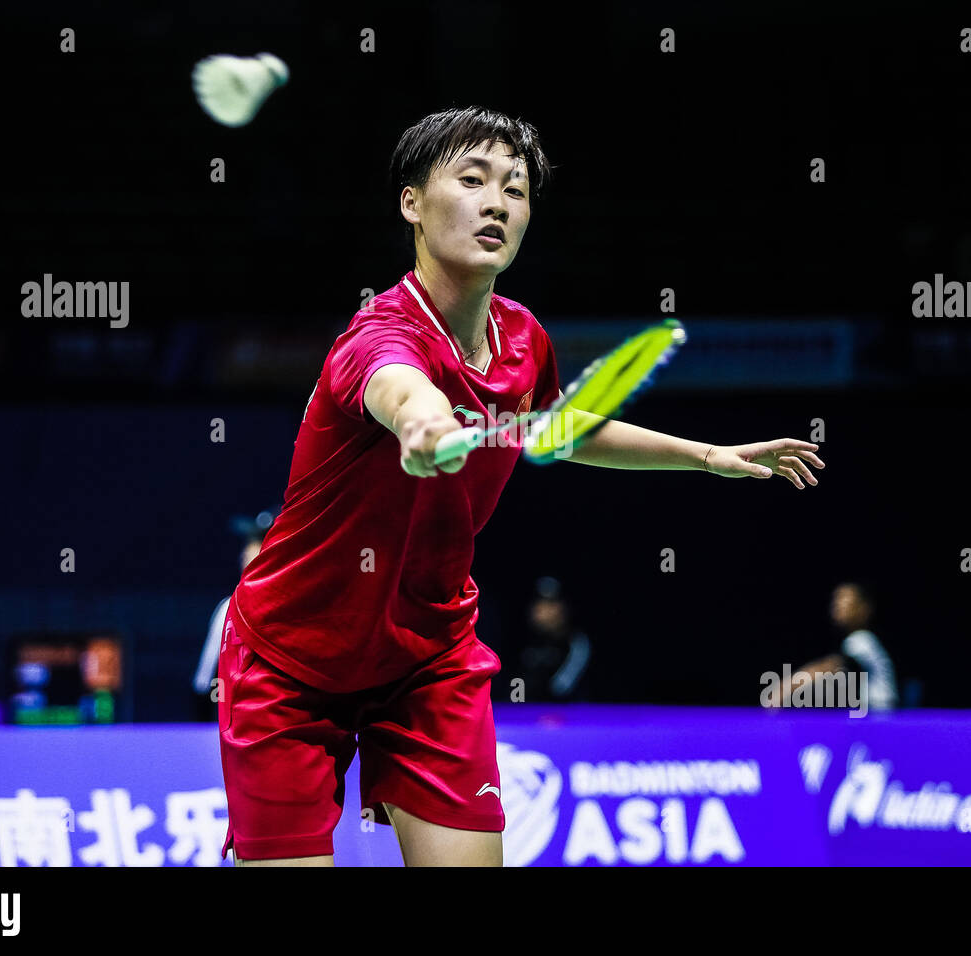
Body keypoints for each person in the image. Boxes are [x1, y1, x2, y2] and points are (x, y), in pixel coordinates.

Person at [218, 105, 826, 867]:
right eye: (471, 180)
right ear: (412, 202)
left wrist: (705, 455)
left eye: (516, 188)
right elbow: (403, 392)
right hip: (291, 660)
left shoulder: (522, 340)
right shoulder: (379, 335)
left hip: (427, 657)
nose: (497, 202)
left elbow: (556, 430)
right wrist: (427, 430)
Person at [192, 510, 275, 721]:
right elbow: (206, 682)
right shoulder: (228, 607)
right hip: (246, 726)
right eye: (247, 545)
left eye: (256, 543)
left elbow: (204, 687)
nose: (245, 553)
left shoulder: (232, 607)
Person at [780, 581, 898, 712]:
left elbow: (828, 666)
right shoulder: (856, 641)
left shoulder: (863, 640)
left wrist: (783, 690)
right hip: (872, 714)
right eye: (836, 601)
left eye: (846, 601)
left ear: (864, 609)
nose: (838, 605)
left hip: (880, 716)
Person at [517, 576, 592, 702]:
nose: (542, 610)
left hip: (572, 716)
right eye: (539, 603)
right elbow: (516, 690)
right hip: (527, 717)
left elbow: (561, 689)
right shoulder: (524, 643)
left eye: (551, 604)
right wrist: (518, 707)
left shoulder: (577, 644)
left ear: (564, 609)